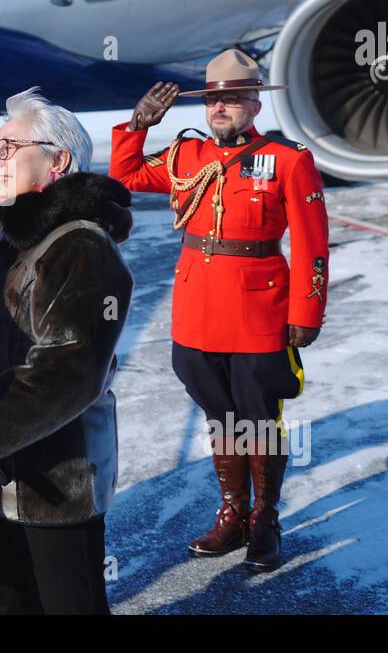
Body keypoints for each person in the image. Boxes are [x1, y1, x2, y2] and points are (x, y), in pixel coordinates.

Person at [109, 49, 329, 571]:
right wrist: (138, 125)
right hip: (195, 310)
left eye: (232, 98)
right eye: (213, 99)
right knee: (222, 418)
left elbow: (313, 243)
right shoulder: (187, 156)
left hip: (259, 313)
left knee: (259, 420)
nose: (221, 107)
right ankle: (231, 514)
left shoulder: (288, 159)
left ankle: (265, 519)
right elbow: (126, 178)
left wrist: (307, 311)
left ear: (255, 104)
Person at [0, 87, 133, 614]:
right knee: (3, 605)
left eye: (6, 148)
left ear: (58, 160)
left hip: (54, 481)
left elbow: (68, 368)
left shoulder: (80, 245)